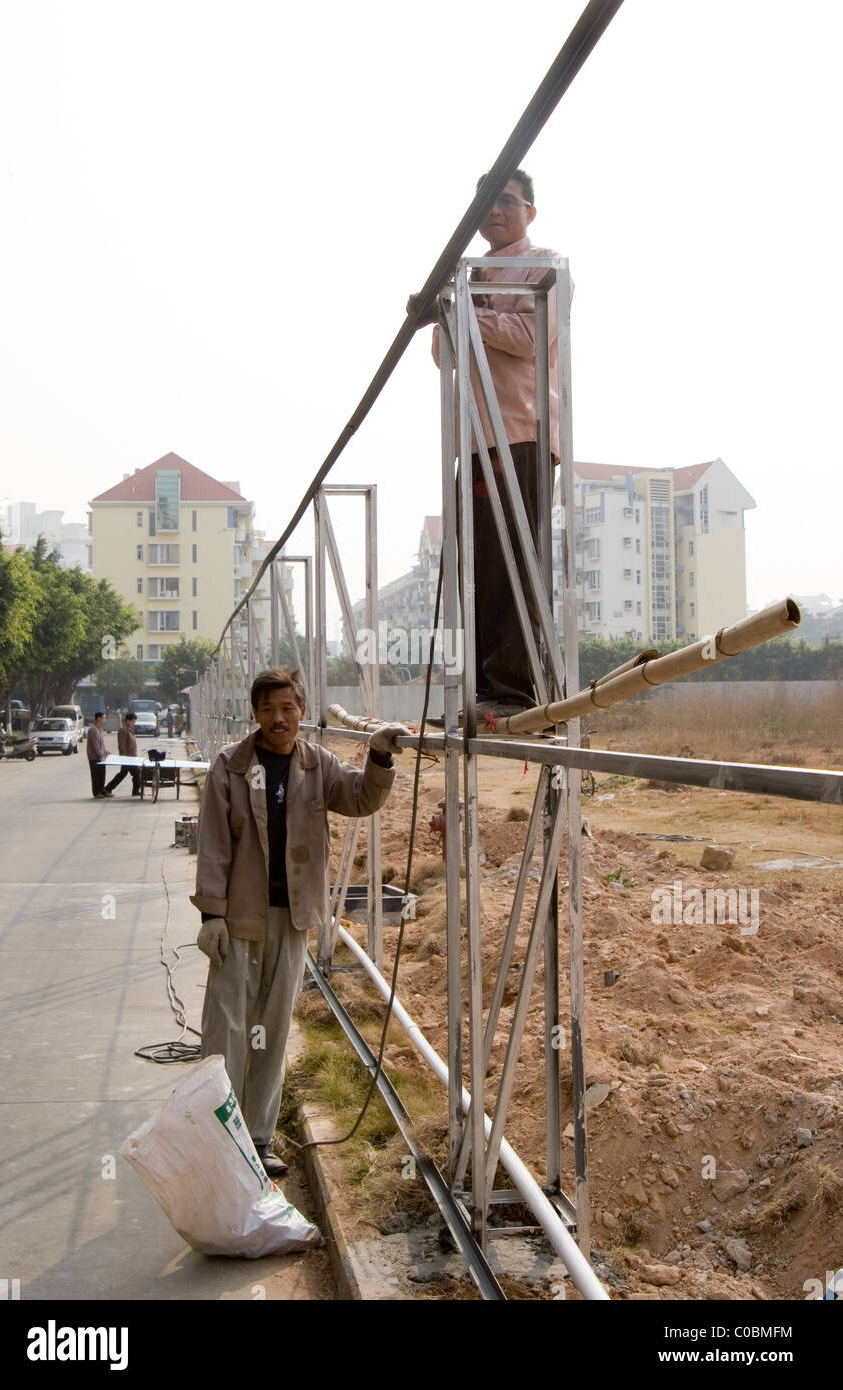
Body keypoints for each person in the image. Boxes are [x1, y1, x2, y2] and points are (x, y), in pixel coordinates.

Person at [191, 666, 409, 1178]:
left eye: (287, 708)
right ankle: (219, 1138)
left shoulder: (318, 765)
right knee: (227, 1028)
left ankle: (259, 1140)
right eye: (267, 709)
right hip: (239, 918)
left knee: (270, 1029)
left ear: (302, 712)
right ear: (255, 714)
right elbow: (215, 846)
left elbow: (360, 798)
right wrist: (211, 916)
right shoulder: (231, 766)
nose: (278, 719)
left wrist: (378, 755)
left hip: (292, 919)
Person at [423, 169, 573, 715]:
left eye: (506, 201)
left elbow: (532, 337)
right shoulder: (471, 274)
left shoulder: (547, 266)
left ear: (529, 211)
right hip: (480, 440)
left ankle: (515, 689)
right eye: (486, 201)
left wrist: (469, 311)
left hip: (524, 432)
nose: (495, 211)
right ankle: (481, 690)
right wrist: (458, 309)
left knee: (517, 559)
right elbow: (444, 351)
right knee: (477, 564)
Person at [104, 712, 141, 796]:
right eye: (133, 722)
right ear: (127, 721)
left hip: (132, 758)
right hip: (127, 758)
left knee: (136, 774)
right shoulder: (123, 730)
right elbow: (122, 745)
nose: (133, 724)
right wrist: (123, 758)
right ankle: (107, 788)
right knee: (123, 774)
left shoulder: (130, 730)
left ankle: (135, 791)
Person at [86, 711, 109, 798]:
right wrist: (101, 755)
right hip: (95, 758)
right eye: (103, 718)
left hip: (101, 757)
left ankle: (102, 791)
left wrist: (106, 753)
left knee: (102, 775)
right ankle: (96, 793)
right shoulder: (93, 730)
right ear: (99, 718)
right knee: (96, 776)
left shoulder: (100, 729)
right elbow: (95, 746)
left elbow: (101, 745)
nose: (104, 720)